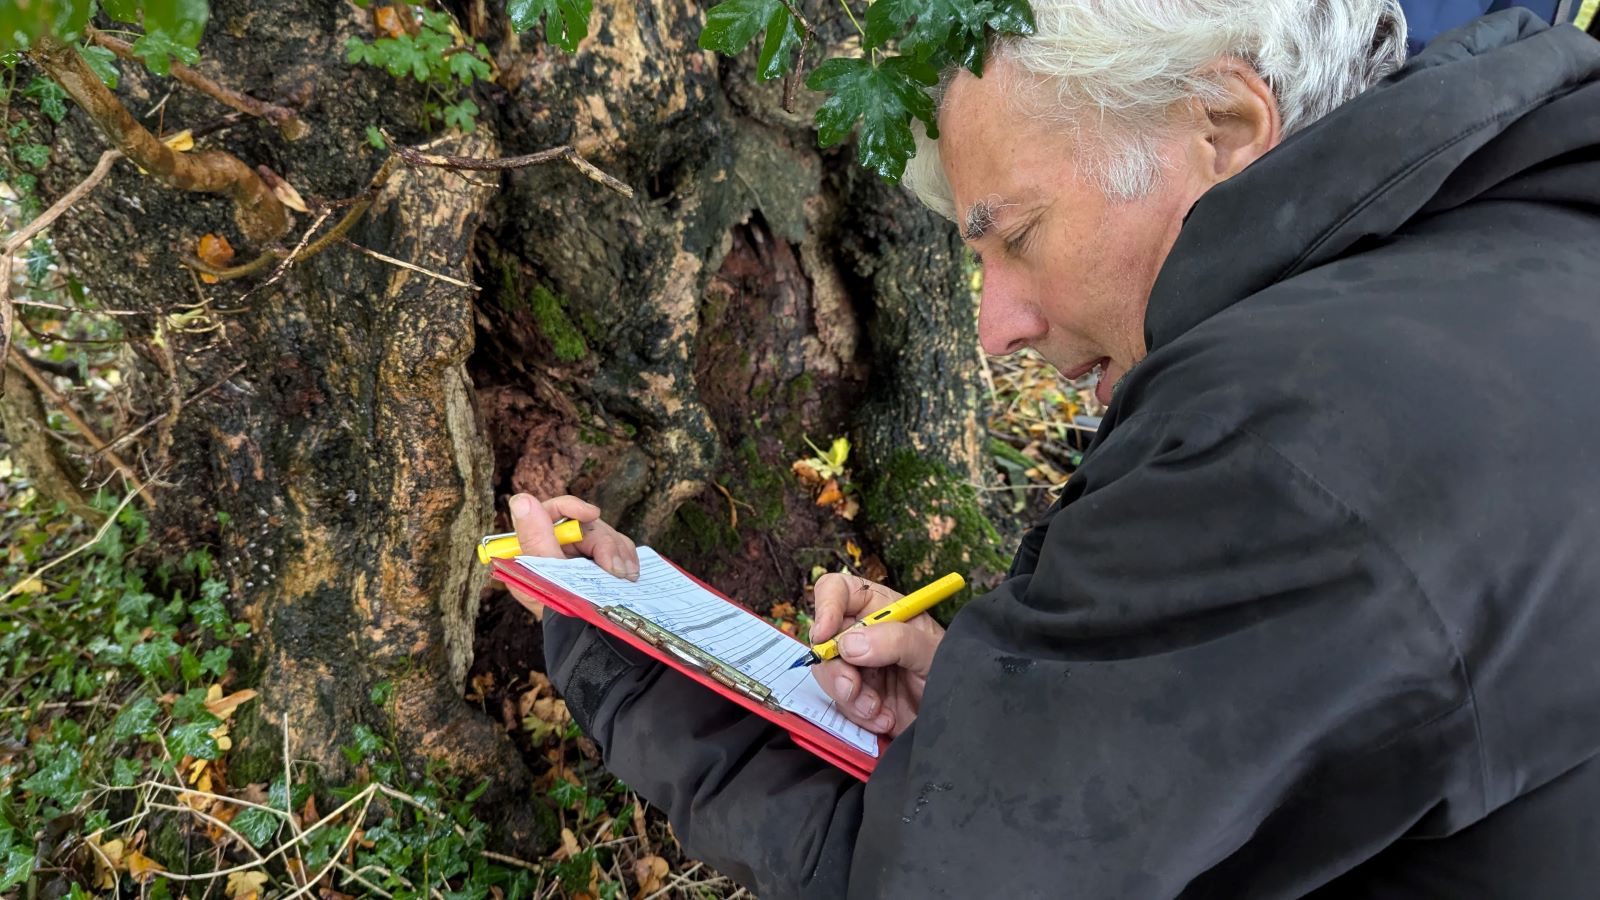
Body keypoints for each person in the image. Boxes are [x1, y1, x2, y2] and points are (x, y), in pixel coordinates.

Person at [504, 3, 1600, 896]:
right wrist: (1024, 700)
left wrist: (627, 661)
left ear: (1221, 127)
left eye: (1016, 235)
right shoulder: (1516, 248)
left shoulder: (1282, 440)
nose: (995, 329)